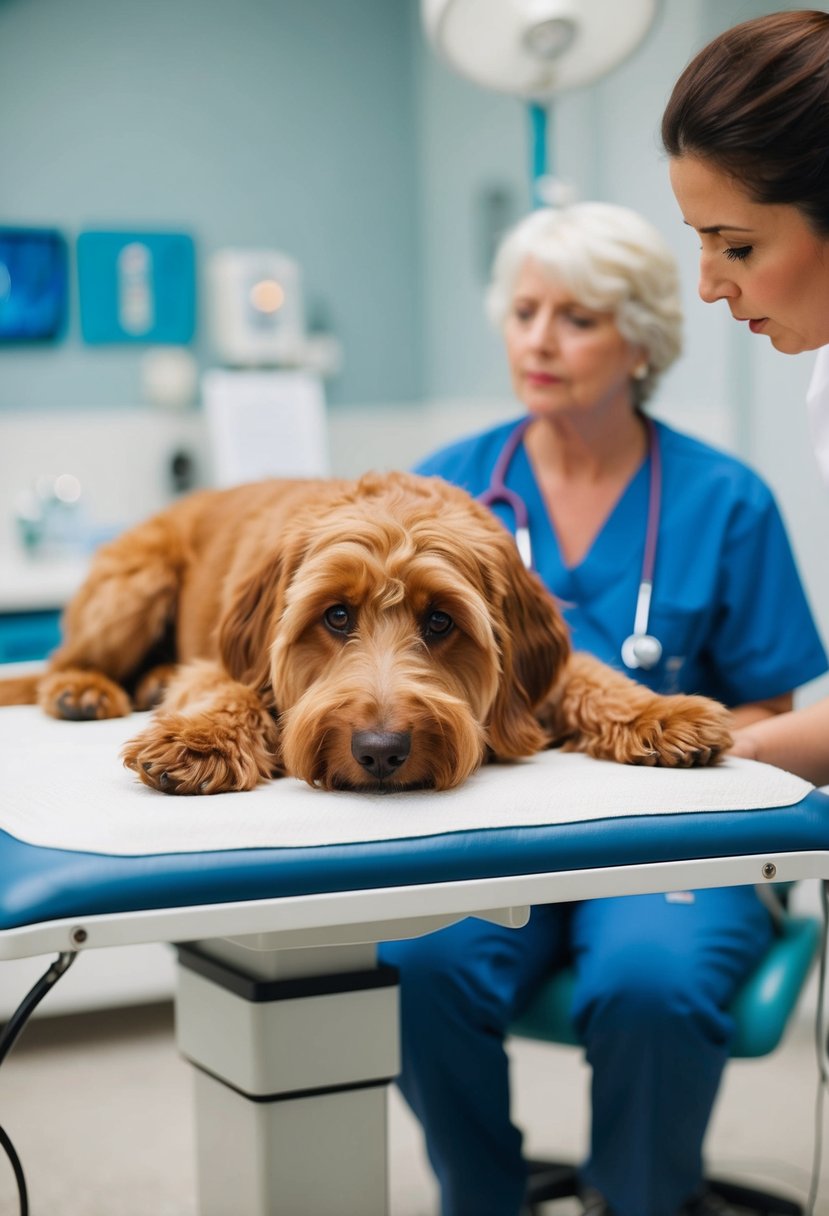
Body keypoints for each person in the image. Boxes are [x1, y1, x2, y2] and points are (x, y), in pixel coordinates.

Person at [378, 201, 828, 1216]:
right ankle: (480, 1194)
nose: (538, 339)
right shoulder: (443, 493)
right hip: (491, 837)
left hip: (674, 848)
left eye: (575, 317)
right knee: (416, 960)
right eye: (523, 310)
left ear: (642, 340)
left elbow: (763, 712)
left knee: (650, 986)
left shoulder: (724, 499)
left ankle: (639, 1197)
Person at [662, 8, 829, 786]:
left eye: (736, 246)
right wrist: (737, 753)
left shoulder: (720, 497)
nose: (707, 285)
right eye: (698, 240)